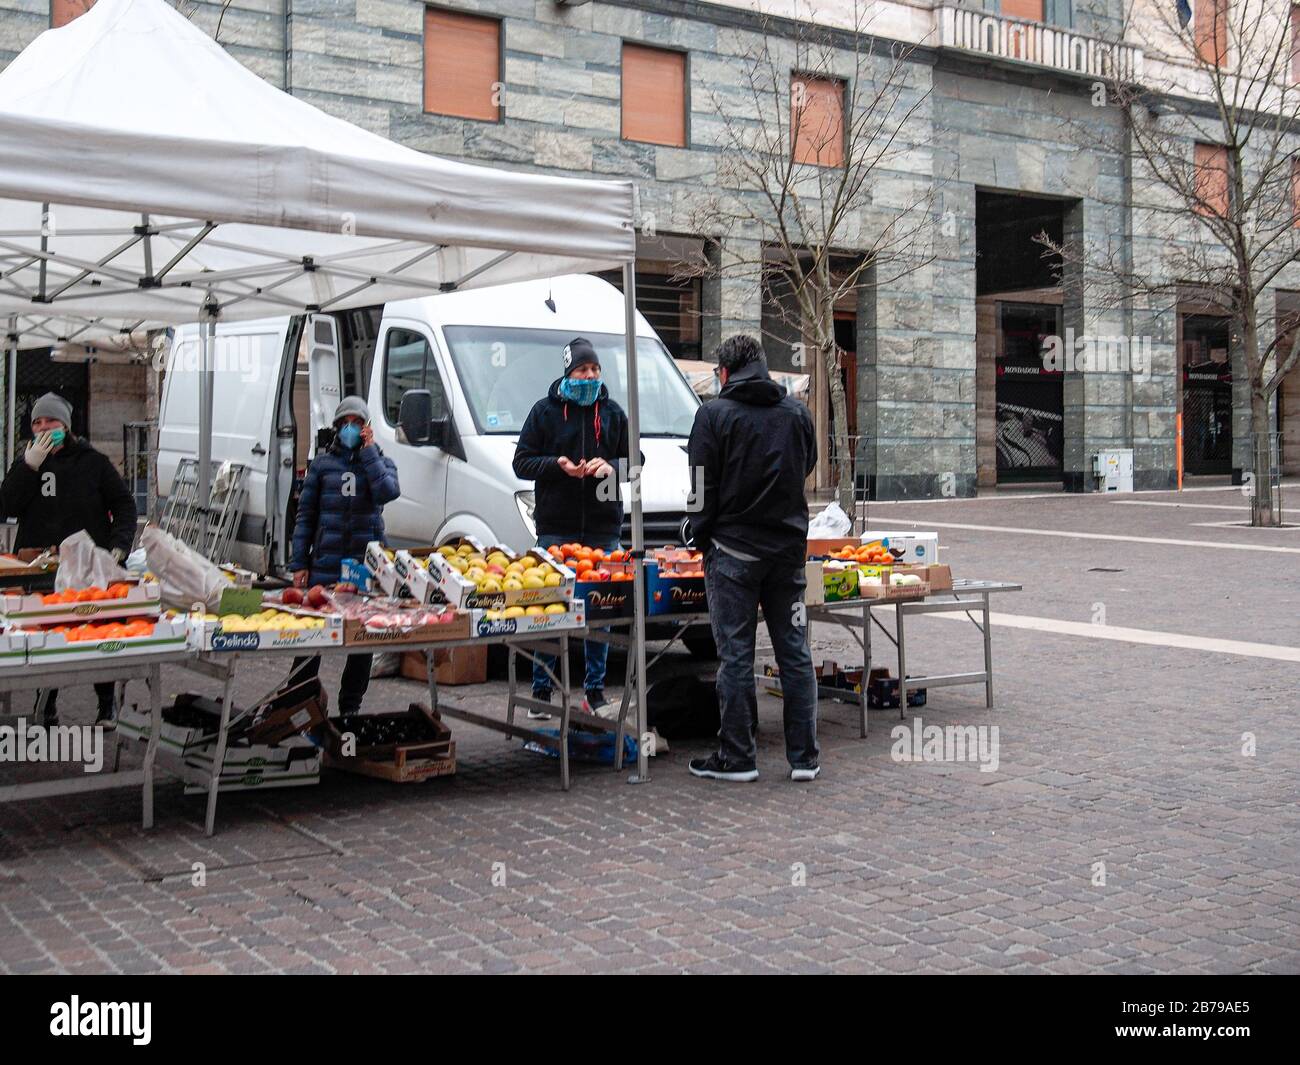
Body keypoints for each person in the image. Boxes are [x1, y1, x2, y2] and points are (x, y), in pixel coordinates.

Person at [686, 335, 819, 782]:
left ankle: (738, 756)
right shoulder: (797, 413)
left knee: (736, 655)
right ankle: (805, 757)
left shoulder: (713, 415)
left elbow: (700, 489)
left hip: (733, 553)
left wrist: (701, 536)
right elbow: (807, 465)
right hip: (787, 552)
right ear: (762, 368)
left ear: (723, 373)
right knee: (795, 652)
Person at [0, 392, 137, 725]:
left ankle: (106, 704)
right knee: (46, 634)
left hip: (89, 566)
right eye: (38, 422)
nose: (45, 427)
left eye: (51, 421)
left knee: (96, 630)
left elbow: (124, 505)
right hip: (41, 566)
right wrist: (28, 467)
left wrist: (118, 548)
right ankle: (45, 703)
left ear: (66, 425)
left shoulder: (94, 462)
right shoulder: (28, 463)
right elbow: (5, 507)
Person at [513, 337, 631, 718]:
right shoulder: (544, 413)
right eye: (583, 370)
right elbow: (522, 462)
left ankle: (594, 691)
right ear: (568, 372)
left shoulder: (612, 413)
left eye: (595, 370)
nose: (590, 376)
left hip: (602, 528)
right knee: (549, 607)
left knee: (602, 609)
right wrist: (556, 465)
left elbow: (636, 462)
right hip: (556, 528)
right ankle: (542, 690)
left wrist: (612, 467)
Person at [289, 397, 399, 715]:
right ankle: (299, 701)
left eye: (357, 423)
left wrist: (368, 453)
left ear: (366, 429)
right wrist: (300, 563)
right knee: (312, 637)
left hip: (364, 569)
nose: (350, 428)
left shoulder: (380, 462)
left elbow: (388, 492)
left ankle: (350, 708)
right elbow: (305, 518)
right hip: (325, 565)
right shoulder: (322, 466)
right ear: (337, 427)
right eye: (344, 423)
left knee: (361, 642)